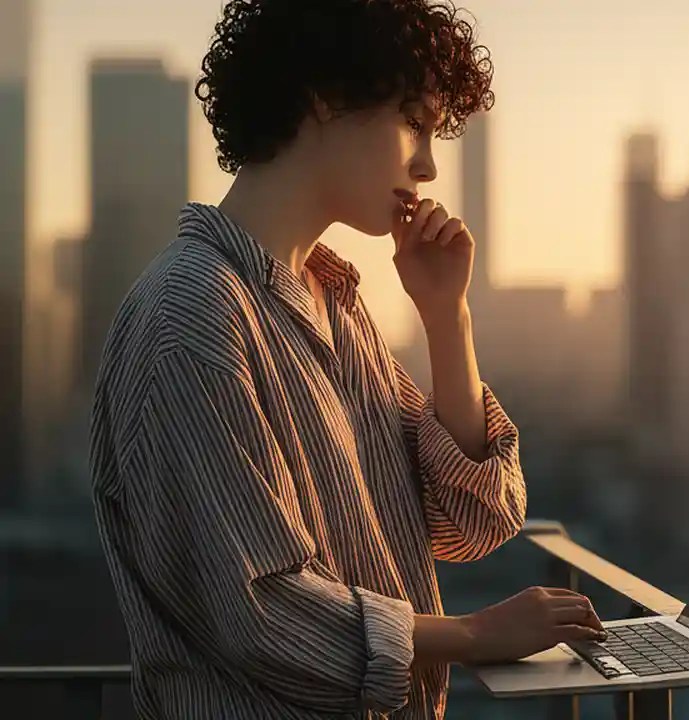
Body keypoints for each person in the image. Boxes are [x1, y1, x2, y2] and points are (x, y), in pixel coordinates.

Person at [88, 1, 605, 718]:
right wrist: (474, 634)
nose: (427, 164)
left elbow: (472, 519)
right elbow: (261, 608)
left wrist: (446, 318)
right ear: (325, 99)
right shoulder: (192, 316)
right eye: (415, 123)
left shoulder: (335, 305)